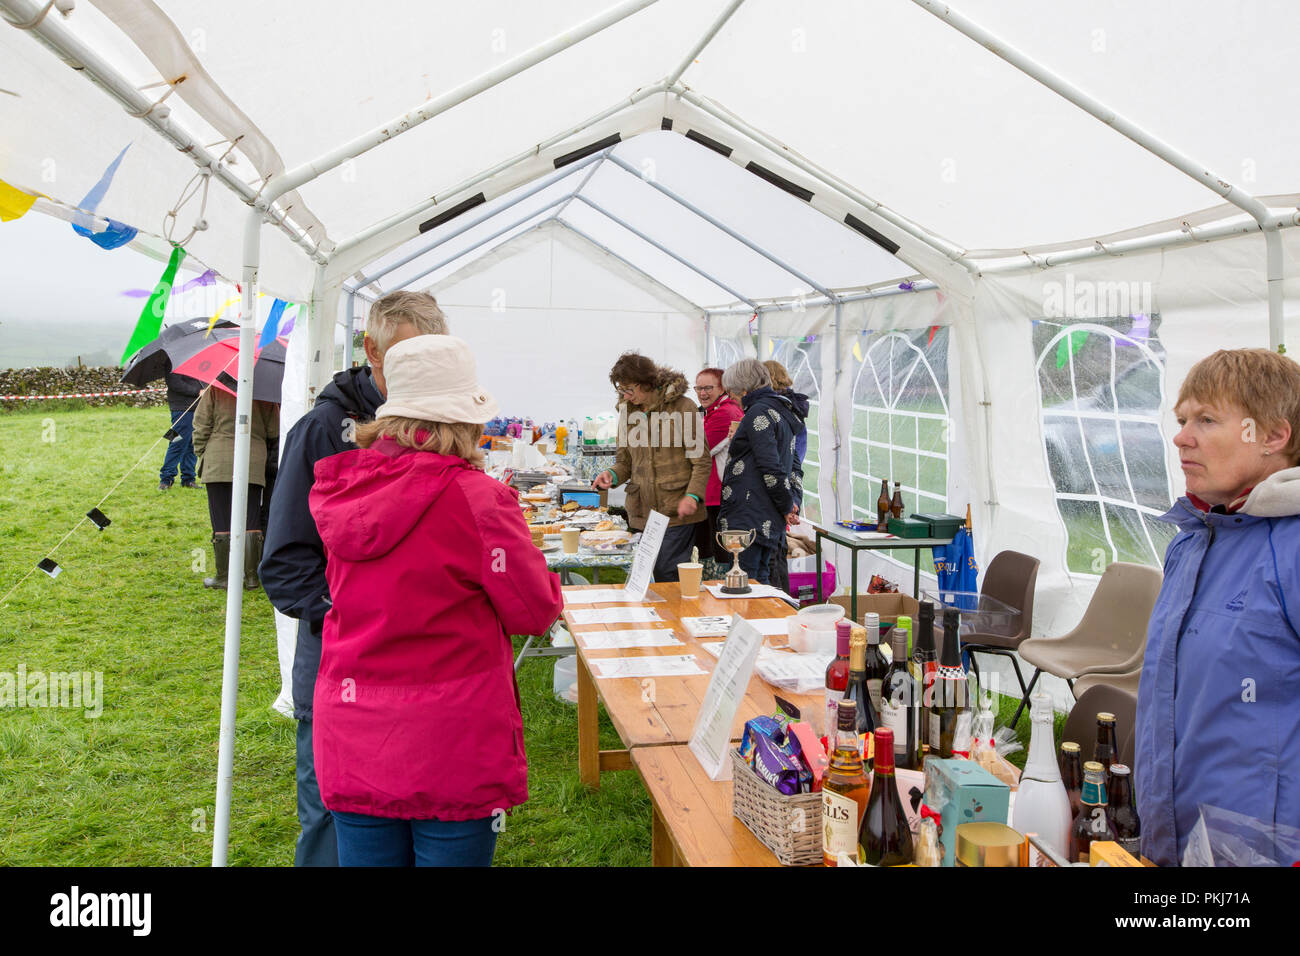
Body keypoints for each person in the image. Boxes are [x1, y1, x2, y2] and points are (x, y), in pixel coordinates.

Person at [310, 334, 562, 867]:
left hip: (354, 729)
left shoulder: (344, 487)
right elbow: (534, 609)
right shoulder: (477, 499)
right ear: (464, 420)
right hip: (451, 738)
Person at [261, 289, 448, 867]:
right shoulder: (322, 430)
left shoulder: (432, 424)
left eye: (430, 358)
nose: (419, 373)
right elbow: (285, 564)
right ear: (372, 349)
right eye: (406, 358)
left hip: (409, 666)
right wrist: (355, 614)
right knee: (329, 814)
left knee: (400, 809)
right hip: (337, 661)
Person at [1135, 348, 1300, 866]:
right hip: (1178, 841)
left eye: (1206, 420)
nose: (1182, 437)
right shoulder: (1192, 540)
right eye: (1182, 420)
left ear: (1273, 435)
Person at [592, 352, 710, 582]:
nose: (625, 395)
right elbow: (625, 461)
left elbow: (701, 460)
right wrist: (612, 474)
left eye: (629, 389)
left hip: (676, 510)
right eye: (621, 390)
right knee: (646, 576)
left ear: (646, 383)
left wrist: (693, 495)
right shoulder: (627, 412)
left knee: (668, 572)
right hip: (641, 511)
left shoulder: (683, 407)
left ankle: (678, 606)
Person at [717, 358, 806, 587]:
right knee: (762, 579)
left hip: (750, 514)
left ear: (744, 389)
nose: (731, 397)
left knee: (746, 581)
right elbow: (794, 464)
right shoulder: (782, 409)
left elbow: (770, 467)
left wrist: (787, 505)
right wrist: (793, 501)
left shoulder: (758, 412)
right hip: (767, 515)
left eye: (732, 391)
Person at [191, 383, 278, 590]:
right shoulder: (264, 391)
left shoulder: (216, 388)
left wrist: (203, 452)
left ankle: (224, 577)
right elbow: (274, 430)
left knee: (221, 520)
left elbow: (201, 425)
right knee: (251, 518)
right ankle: (251, 577)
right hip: (252, 459)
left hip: (218, 459)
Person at [762, 360, 811, 594]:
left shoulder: (779, 410)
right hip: (787, 487)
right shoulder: (794, 407)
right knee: (778, 552)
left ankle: (780, 602)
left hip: (778, 490)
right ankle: (784, 600)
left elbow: (787, 460)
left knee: (773, 555)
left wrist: (789, 501)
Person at [695, 366, 745, 578]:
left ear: (723, 388)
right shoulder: (713, 410)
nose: (702, 393)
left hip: (718, 494)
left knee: (719, 552)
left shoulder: (726, 412)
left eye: (708, 388)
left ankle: (718, 587)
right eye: (698, 388)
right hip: (710, 493)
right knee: (706, 548)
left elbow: (699, 449)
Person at [159, 368, 202, 490]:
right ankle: (166, 479)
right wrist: (198, 391)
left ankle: (188, 479)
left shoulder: (195, 361)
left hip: (195, 408)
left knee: (192, 444)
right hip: (181, 409)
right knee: (176, 443)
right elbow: (175, 383)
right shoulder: (173, 364)